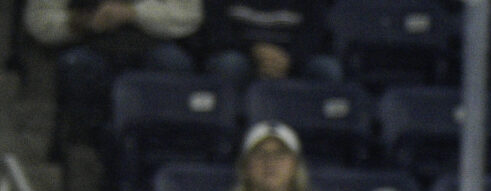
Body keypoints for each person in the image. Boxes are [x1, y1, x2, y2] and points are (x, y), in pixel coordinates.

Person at [28, 0, 197, 165]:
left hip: (151, 40)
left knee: (172, 64)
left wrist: (133, 13)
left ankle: (161, 156)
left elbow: (188, 14)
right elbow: (40, 21)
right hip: (87, 42)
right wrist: (86, 21)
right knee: (78, 65)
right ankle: (86, 150)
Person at [201, 0, 336, 86]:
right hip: (242, 54)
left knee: (326, 69)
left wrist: (290, 59)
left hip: (292, 57)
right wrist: (254, 50)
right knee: (230, 64)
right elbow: (217, 30)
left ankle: (313, 128)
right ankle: (230, 125)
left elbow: (314, 33)